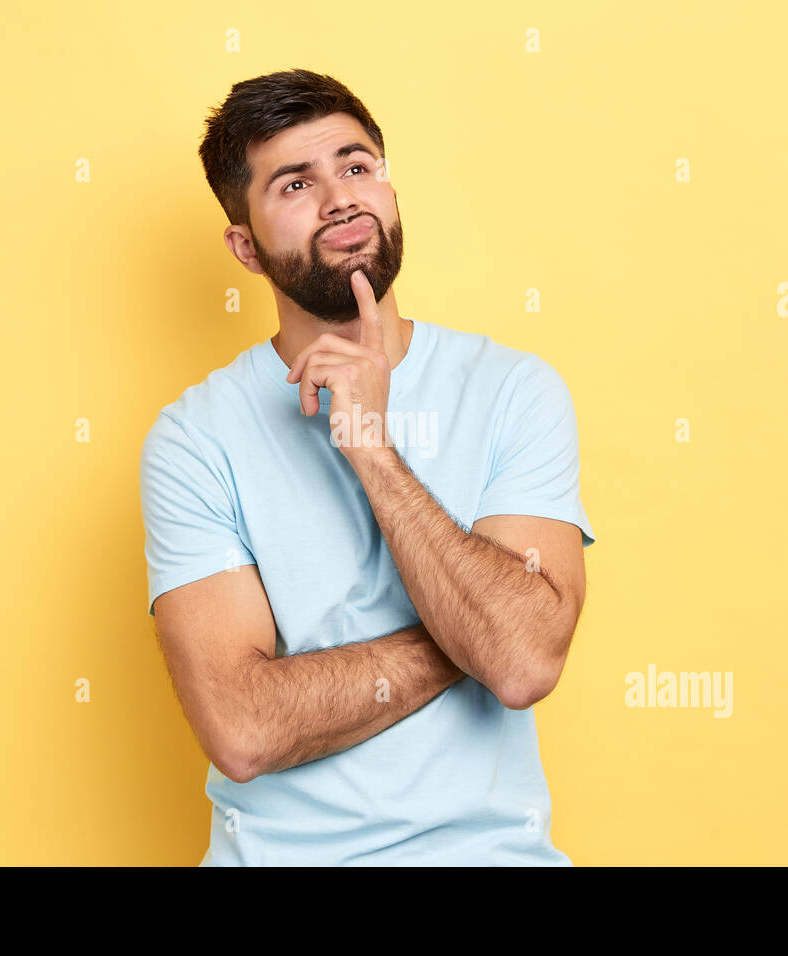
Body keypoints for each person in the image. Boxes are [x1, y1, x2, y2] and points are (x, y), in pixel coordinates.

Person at [140, 68, 595, 865]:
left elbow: (521, 666)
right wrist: (471, 635)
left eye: (357, 166)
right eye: (294, 184)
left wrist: (370, 446)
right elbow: (243, 732)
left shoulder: (515, 390)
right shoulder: (194, 439)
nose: (340, 198)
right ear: (244, 246)